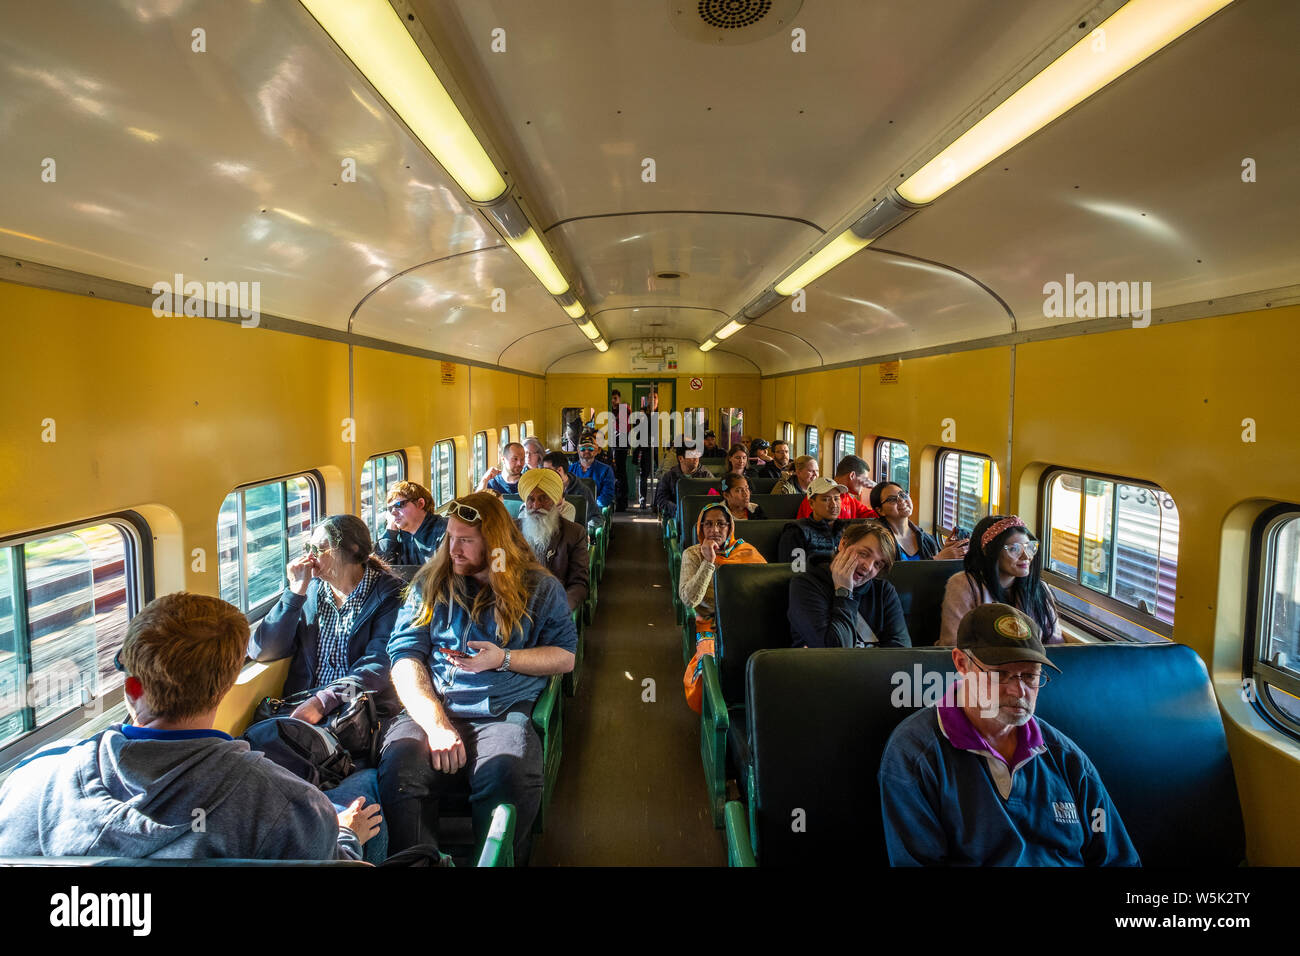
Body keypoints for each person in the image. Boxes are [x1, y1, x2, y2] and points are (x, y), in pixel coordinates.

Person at [0, 593, 377, 860]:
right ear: (227, 685)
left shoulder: (31, 780)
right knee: (367, 784)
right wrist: (345, 833)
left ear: (132, 688)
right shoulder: (289, 803)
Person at [379, 493, 576, 860]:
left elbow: (564, 657)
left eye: (466, 540)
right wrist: (436, 724)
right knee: (400, 769)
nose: (454, 548)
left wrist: (505, 659)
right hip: (434, 705)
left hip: (501, 709)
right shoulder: (430, 584)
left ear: (495, 542)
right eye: (451, 537)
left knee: (509, 777)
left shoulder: (539, 588)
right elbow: (404, 657)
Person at [879, 603, 1139, 866]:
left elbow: (1116, 857)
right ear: (961, 663)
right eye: (1000, 675)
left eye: (1029, 676)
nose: (1018, 691)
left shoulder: (1067, 758)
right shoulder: (915, 756)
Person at [249, 514, 404, 862]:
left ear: (348, 551)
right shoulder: (310, 593)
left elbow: (380, 665)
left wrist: (323, 701)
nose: (310, 557)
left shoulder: (390, 596)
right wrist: (294, 593)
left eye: (318, 549)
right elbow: (262, 650)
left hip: (357, 712)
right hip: (302, 710)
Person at [678, 502, 766, 712]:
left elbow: (765, 590)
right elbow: (690, 600)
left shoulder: (747, 551)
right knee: (712, 671)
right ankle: (719, 716)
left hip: (746, 621)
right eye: (708, 524)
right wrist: (709, 562)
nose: (714, 530)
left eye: (721, 524)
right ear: (700, 528)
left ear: (730, 527)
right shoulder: (692, 554)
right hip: (710, 624)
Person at [939, 515, 1062, 647]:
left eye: (1029, 547)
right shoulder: (963, 585)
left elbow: (1055, 644)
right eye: (1014, 549)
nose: (1026, 556)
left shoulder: (1039, 589)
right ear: (988, 551)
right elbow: (953, 645)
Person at [788, 522, 909, 648]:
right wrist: (844, 592)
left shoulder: (884, 591)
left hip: (875, 668)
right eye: (864, 554)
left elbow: (901, 652)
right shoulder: (806, 585)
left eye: (878, 564)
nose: (868, 567)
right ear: (843, 544)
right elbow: (836, 652)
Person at [516, 467, 589, 613]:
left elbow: (579, 584)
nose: (536, 506)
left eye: (543, 498)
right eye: (531, 499)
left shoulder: (574, 533)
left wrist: (561, 608)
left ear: (555, 500)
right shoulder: (510, 530)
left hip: (553, 604)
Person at [871, 482, 969, 561]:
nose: (901, 501)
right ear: (880, 510)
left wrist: (945, 552)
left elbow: (932, 574)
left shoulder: (927, 539)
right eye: (892, 499)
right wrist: (937, 559)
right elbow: (891, 576)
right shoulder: (876, 539)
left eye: (903, 495)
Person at [777, 476, 855, 562]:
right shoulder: (796, 532)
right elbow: (795, 570)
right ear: (811, 504)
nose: (834, 505)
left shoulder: (848, 529)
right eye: (826, 499)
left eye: (836, 498)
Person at [376, 480, 447, 566]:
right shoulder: (397, 536)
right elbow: (381, 569)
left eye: (399, 505)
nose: (393, 513)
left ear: (420, 504)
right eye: (390, 509)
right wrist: (390, 531)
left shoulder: (444, 531)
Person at [794, 455, 877, 520]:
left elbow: (874, 516)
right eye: (865, 479)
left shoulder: (849, 500)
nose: (867, 484)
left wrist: (879, 489)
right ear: (852, 475)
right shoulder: (817, 497)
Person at [654, 447, 715, 520]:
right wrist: (678, 510)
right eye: (691, 455)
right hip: (676, 516)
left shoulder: (705, 475)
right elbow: (661, 499)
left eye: (697, 454)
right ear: (680, 458)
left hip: (701, 516)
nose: (696, 458)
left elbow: (715, 493)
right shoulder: (670, 476)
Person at [542, 449, 596, 526]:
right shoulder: (543, 489)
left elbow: (595, 517)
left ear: (559, 470)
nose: (545, 475)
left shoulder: (582, 490)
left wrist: (586, 531)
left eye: (547, 471)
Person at [572, 429, 616, 510]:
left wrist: (592, 507)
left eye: (590, 449)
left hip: (596, 510)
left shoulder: (606, 470)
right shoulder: (570, 470)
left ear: (596, 451)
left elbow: (607, 495)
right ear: (578, 450)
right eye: (582, 449)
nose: (586, 451)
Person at [636, 390, 661, 508]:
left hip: (659, 447)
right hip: (646, 447)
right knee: (644, 474)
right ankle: (643, 500)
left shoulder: (661, 412)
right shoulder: (642, 413)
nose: (652, 400)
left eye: (655, 397)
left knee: (661, 473)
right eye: (650, 397)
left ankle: (657, 501)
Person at [609, 389, 630, 511]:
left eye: (615, 398)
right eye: (612, 398)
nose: (613, 401)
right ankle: (616, 499)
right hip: (613, 444)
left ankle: (622, 502)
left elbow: (623, 427)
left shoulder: (624, 410)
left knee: (621, 473)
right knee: (615, 473)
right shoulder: (612, 411)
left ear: (619, 399)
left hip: (621, 445)